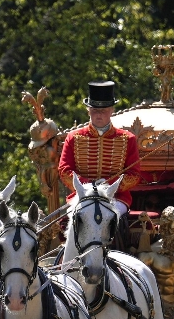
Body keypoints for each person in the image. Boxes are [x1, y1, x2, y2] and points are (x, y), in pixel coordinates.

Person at [57, 80, 145, 217]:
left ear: (111, 111)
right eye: (94, 110)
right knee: (75, 217)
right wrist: (87, 185)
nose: (99, 114)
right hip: (82, 196)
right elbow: (64, 170)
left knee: (109, 215)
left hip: (116, 198)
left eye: (103, 111)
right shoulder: (73, 137)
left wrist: (108, 185)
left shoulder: (128, 139)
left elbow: (134, 174)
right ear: (88, 111)